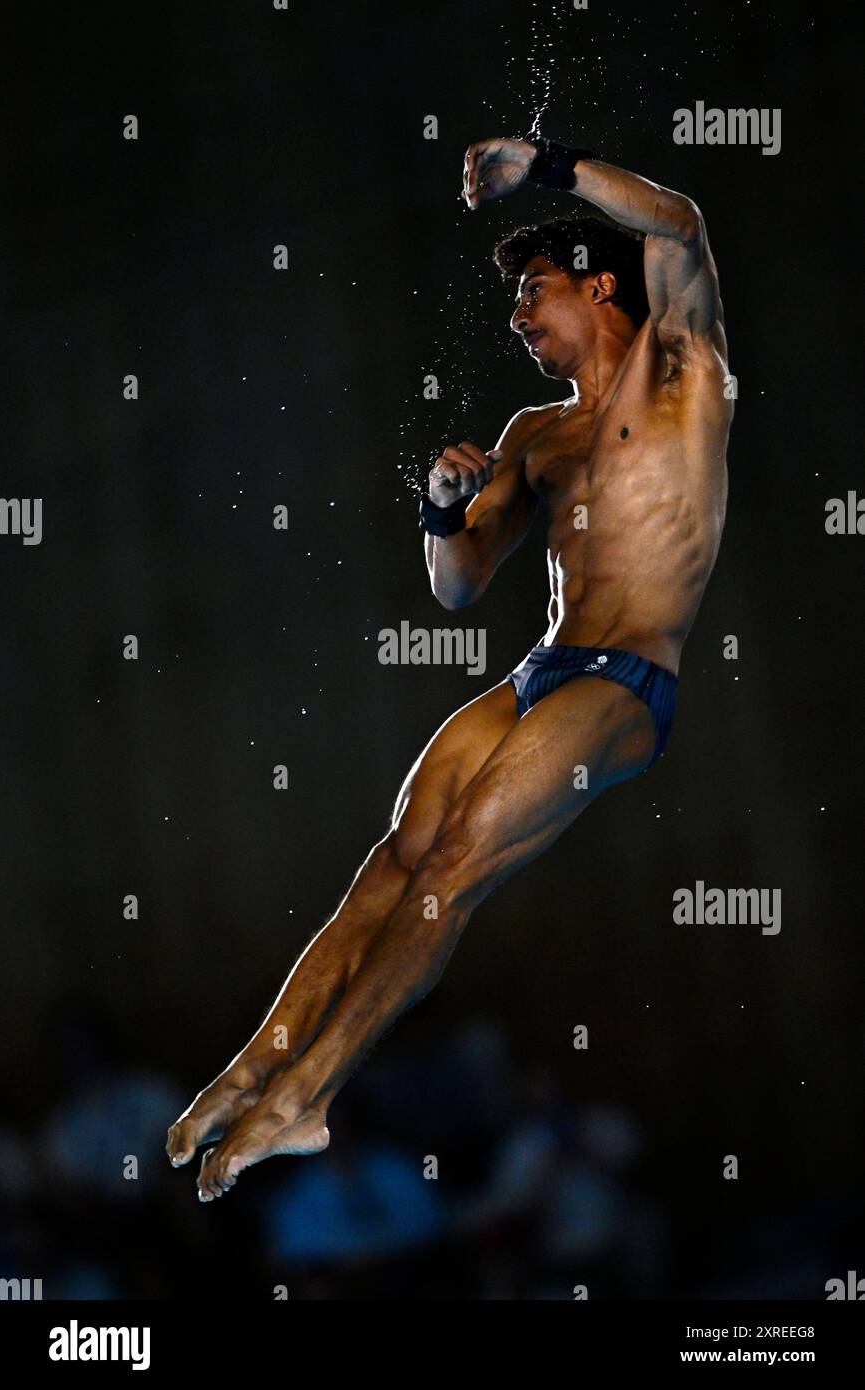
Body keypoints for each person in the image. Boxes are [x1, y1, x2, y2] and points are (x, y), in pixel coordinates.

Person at [167, 134, 733, 1201]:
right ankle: (254, 1070)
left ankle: (309, 1099)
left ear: (597, 282)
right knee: (392, 862)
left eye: (533, 293)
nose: (518, 319)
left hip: (626, 687)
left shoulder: (680, 367)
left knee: (451, 868)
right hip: (541, 668)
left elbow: (681, 222)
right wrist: (437, 509)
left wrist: (547, 167)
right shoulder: (533, 432)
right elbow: (458, 586)